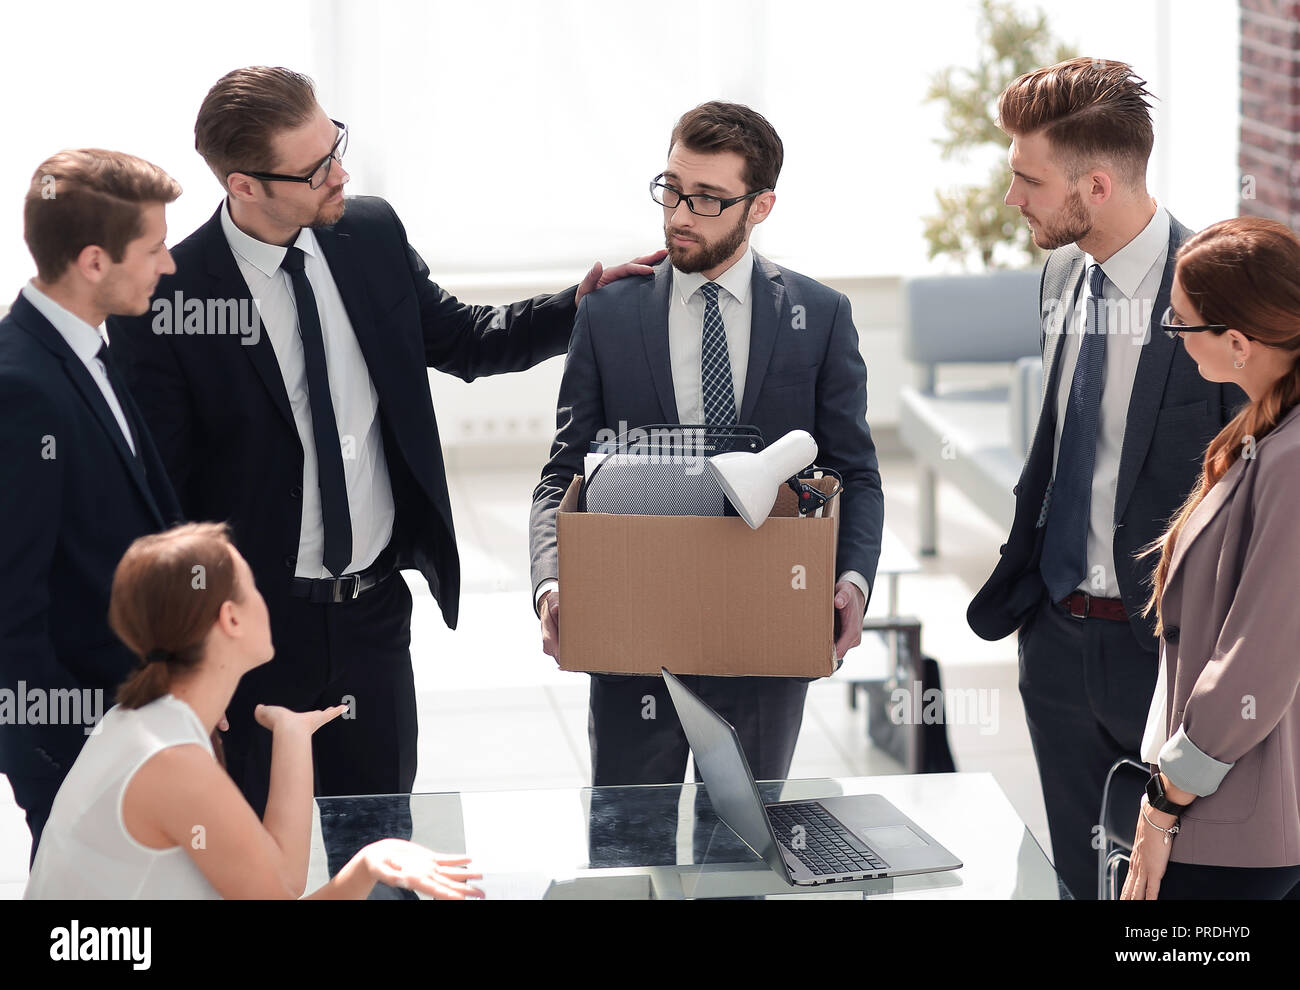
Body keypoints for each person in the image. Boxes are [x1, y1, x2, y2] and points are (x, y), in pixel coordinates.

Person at [107, 66, 663, 832]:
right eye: (314, 170)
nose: (341, 173)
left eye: (335, 144)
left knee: (382, 850)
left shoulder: (367, 234)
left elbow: (463, 339)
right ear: (243, 185)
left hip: (371, 617)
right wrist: (178, 663)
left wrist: (577, 306)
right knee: (244, 865)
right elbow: (159, 499)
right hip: (251, 634)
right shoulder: (169, 298)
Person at [529, 101, 884, 790]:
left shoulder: (821, 318)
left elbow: (853, 473)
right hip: (634, 627)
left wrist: (851, 580)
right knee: (631, 853)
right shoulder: (608, 313)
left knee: (745, 854)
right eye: (672, 190)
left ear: (761, 207)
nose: (680, 216)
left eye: (708, 199)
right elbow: (561, 475)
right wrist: (551, 582)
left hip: (766, 630)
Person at [965, 57, 1247, 899]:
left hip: (1164, 654)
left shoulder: (1224, 296)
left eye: (1028, 179)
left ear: (1095, 183)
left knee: (1176, 897)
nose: (1012, 198)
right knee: (1083, 883)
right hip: (1054, 641)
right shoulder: (1060, 273)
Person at [25, 522, 481, 899]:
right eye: (254, 587)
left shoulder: (147, 720)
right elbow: (279, 892)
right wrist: (368, 861)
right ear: (232, 619)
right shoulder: (172, 760)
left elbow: (276, 881)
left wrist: (292, 734)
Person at [0, 150, 185, 862]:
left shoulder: (90, 353)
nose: (168, 266)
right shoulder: (23, 390)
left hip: (142, 736)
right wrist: (59, 774)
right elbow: (12, 615)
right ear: (93, 261)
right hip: (89, 762)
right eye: (155, 248)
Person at [1119, 218, 1300, 900]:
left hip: (1232, 827)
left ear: (1238, 342)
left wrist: (1165, 804)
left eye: (1181, 323)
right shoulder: (1266, 432)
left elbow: (1261, 654)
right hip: (1230, 808)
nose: (1172, 334)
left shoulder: (1288, 458)